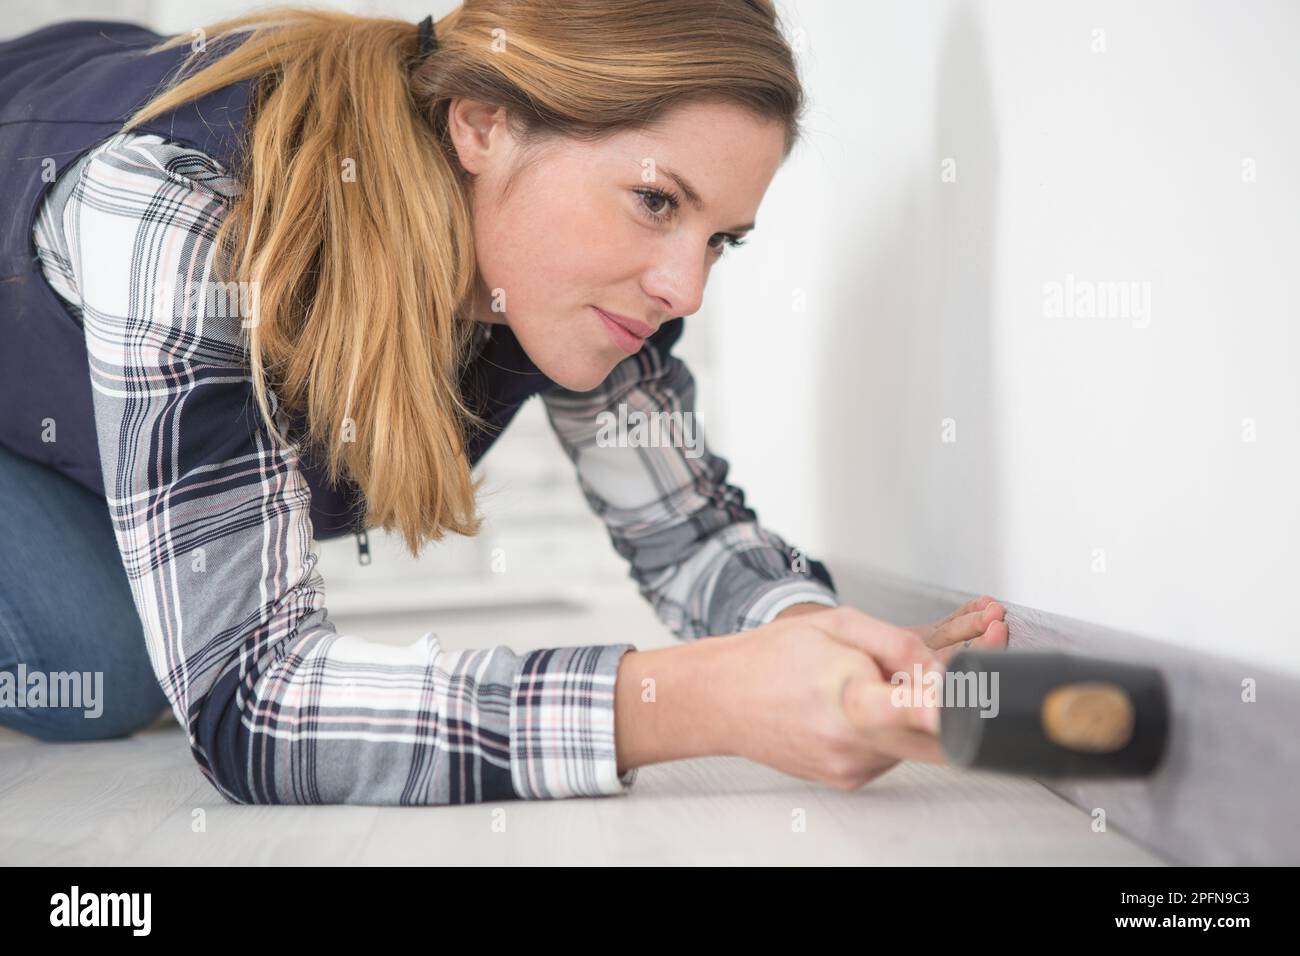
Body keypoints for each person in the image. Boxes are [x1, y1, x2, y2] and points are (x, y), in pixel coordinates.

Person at [0, 3, 1007, 805]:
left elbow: (691, 536)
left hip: (68, 384)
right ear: (484, 122)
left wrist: (832, 648)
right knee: (100, 665)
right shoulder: (180, 208)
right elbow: (252, 707)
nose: (685, 289)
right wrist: (686, 700)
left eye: (719, 238)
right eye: (657, 201)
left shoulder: (587, 285)